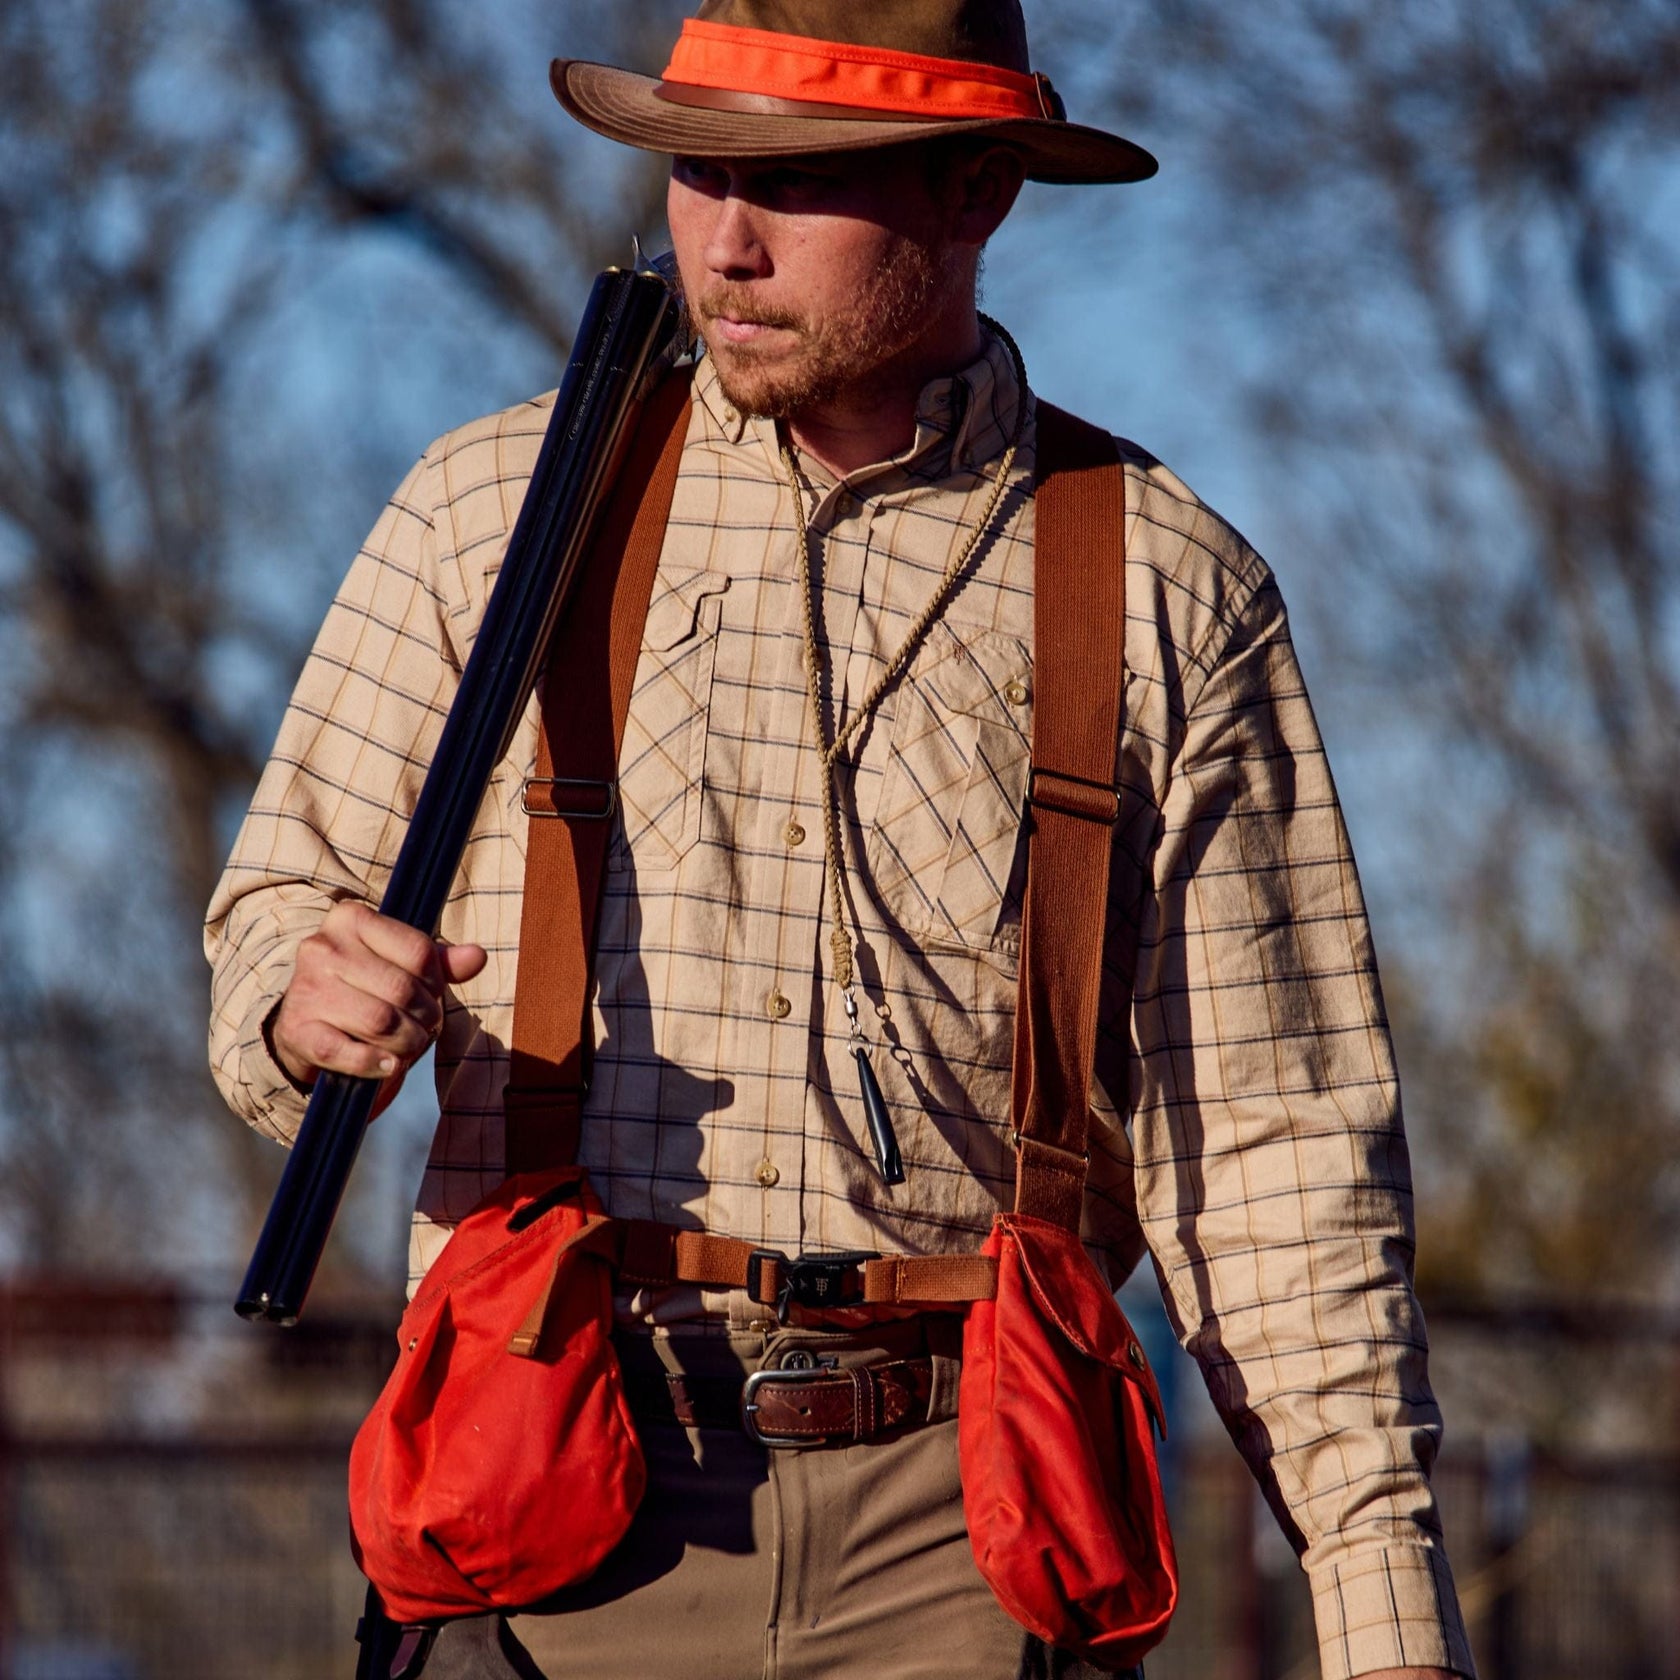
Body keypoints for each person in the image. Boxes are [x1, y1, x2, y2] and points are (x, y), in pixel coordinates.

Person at [206, 4, 1477, 1678]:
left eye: (796, 185)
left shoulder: (1168, 586)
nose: (724, 243)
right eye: (699, 170)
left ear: (976, 193)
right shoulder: (491, 510)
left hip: (978, 1527)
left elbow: (1277, 1151)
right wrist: (304, 1002)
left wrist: (1389, 1624)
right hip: (554, 1484)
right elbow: (271, 927)